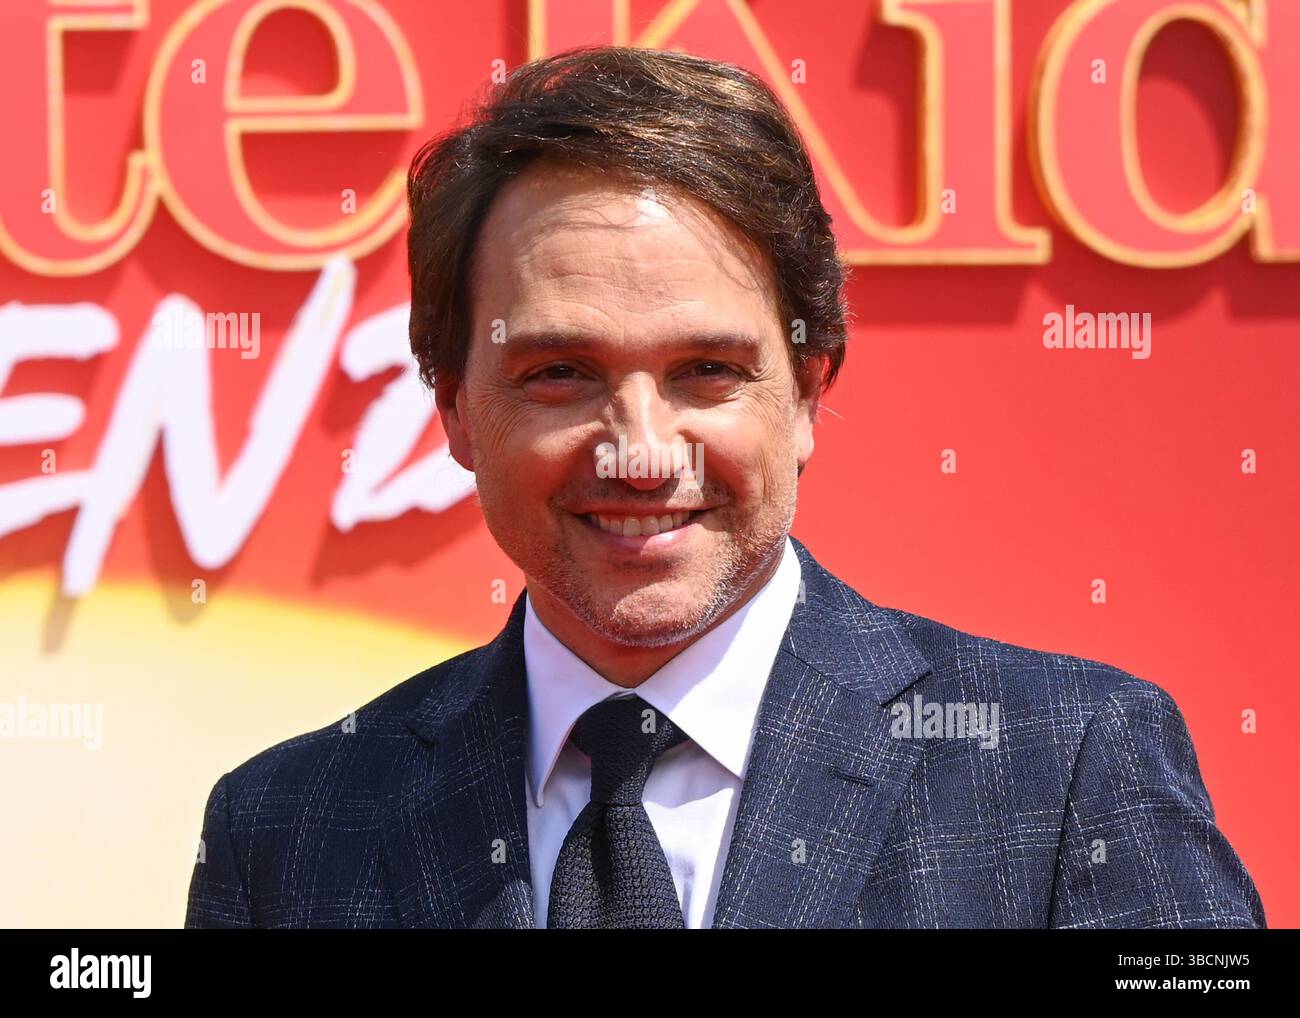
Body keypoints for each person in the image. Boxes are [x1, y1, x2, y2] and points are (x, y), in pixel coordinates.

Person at [185, 45, 1265, 929]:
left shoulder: (1063, 765)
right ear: (454, 409)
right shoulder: (289, 827)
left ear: (804, 393)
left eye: (707, 370)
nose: (642, 450)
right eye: (561, 372)